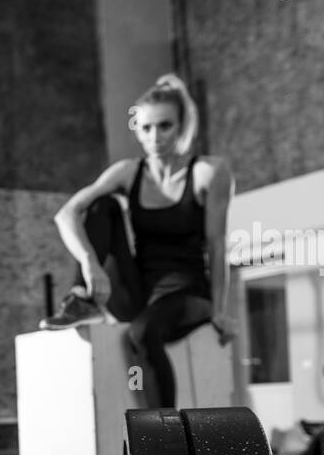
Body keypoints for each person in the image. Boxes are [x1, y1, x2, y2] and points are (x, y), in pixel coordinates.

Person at [41, 75, 236, 409]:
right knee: (101, 206)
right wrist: (90, 264)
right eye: (146, 128)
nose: (155, 137)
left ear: (182, 126)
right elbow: (66, 214)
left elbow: (218, 246)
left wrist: (220, 310)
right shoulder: (128, 172)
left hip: (187, 293)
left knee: (141, 334)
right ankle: (80, 299)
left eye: (165, 126)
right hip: (140, 290)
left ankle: (167, 439)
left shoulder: (208, 172)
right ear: (137, 129)